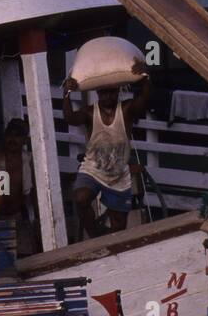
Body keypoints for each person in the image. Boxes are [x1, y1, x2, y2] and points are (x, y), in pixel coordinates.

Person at [62, 60, 152, 237]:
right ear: (97, 93)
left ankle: (108, 243)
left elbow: (144, 100)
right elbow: (70, 118)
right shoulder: (90, 112)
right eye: (103, 92)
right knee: (81, 198)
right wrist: (66, 94)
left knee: (118, 226)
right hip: (92, 170)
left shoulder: (126, 109)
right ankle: (95, 238)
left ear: (118, 91)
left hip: (118, 172)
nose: (107, 96)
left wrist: (146, 77)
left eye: (111, 92)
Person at [0, 119, 38, 255]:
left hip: (19, 215)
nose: (12, 139)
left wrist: (38, 219)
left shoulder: (29, 160)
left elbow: (35, 191)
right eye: (9, 135)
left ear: (25, 140)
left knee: (24, 256)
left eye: (18, 136)